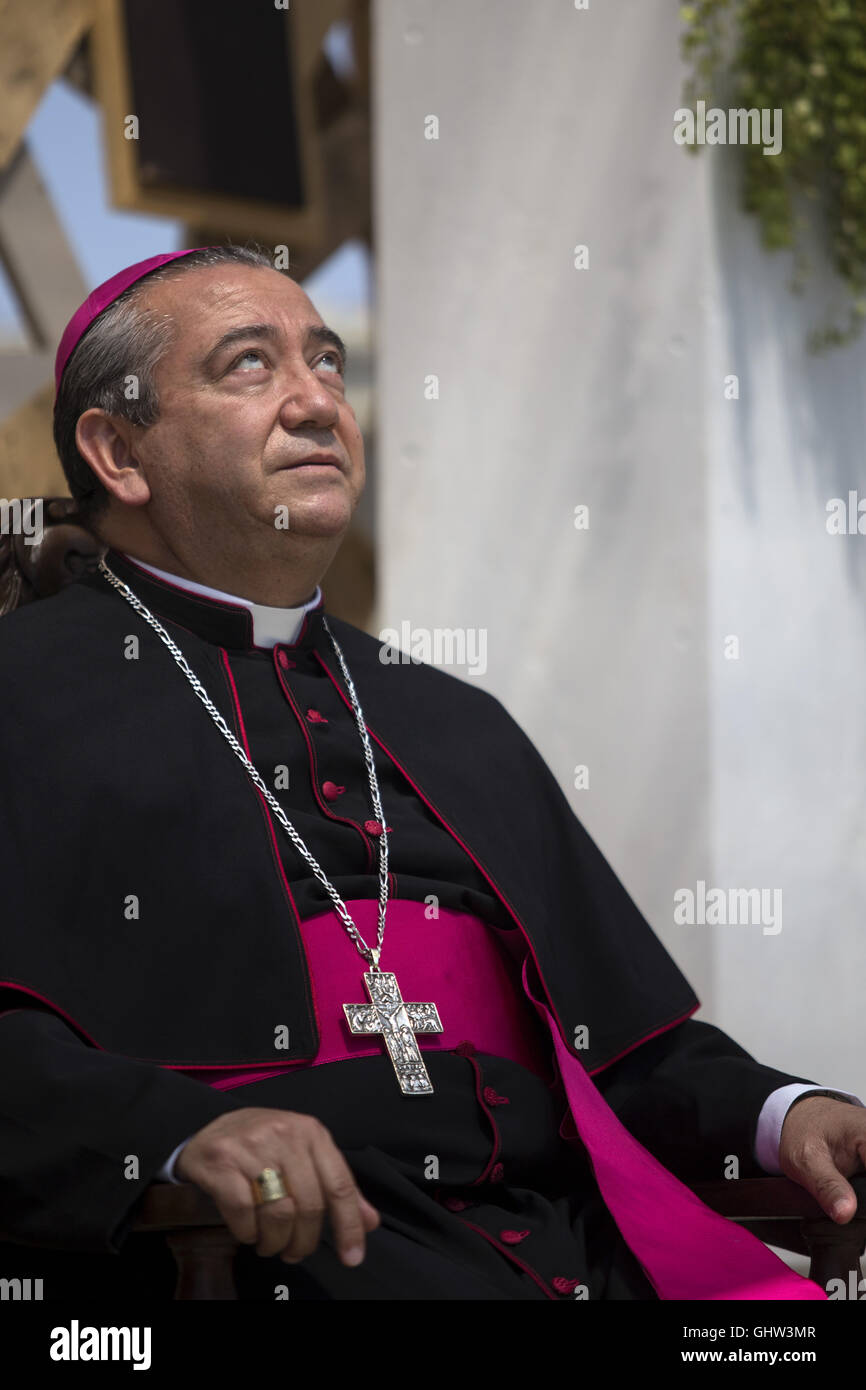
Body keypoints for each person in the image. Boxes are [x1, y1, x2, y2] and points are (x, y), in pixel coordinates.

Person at [0, 245, 863, 1302]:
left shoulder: (448, 717)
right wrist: (176, 1137)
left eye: (324, 360)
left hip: (565, 1246)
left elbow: (624, 1053)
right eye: (249, 366)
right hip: (282, 1265)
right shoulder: (22, 696)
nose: (319, 400)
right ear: (117, 451)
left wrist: (787, 1115)